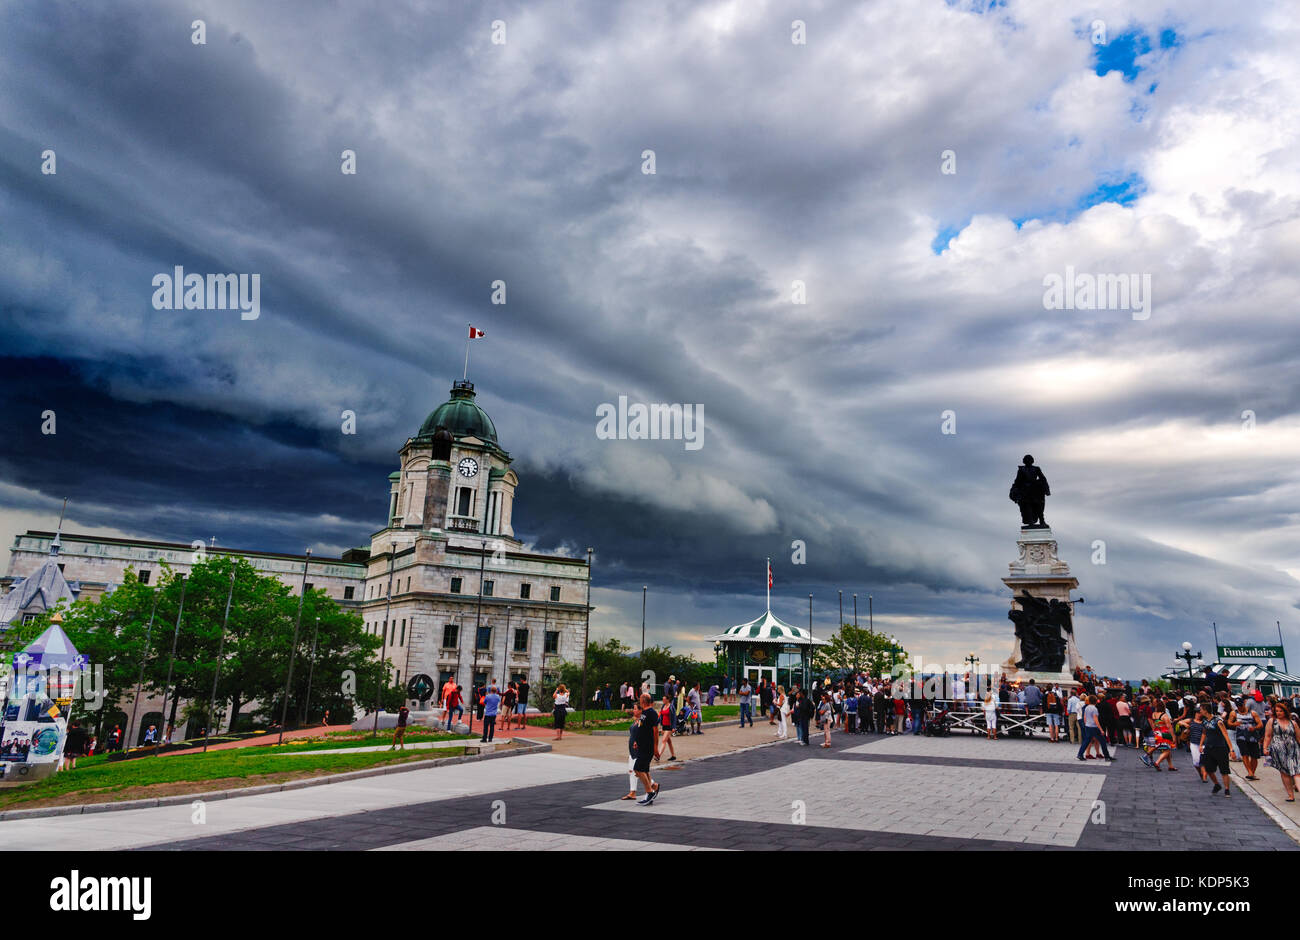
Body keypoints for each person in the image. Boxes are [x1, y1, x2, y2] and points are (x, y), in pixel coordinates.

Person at [1262, 701, 1300, 802]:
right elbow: (1268, 735)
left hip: (1293, 749)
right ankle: (1290, 795)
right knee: (1285, 772)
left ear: (1285, 712)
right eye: (1276, 711)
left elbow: (1298, 737)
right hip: (1278, 749)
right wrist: (1265, 748)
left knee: (1296, 771)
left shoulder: (1293, 723)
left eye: (1281, 711)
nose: (1278, 713)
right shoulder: (1272, 721)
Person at [1198, 702, 1237, 797]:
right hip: (1209, 747)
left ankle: (1227, 789)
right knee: (1208, 769)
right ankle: (1216, 784)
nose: (1200, 711)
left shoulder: (1218, 721)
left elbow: (1225, 735)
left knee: (1224, 770)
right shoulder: (1204, 721)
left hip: (1220, 747)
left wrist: (1231, 749)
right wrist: (1201, 744)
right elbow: (1204, 733)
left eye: (1201, 710)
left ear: (1205, 710)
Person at [632, 693, 661, 805]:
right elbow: (641, 727)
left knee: (638, 769)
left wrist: (655, 748)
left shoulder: (652, 713)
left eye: (640, 699)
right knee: (645, 770)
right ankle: (653, 789)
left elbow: (655, 731)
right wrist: (636, 741)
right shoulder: (644, 712)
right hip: (642, 745)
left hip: (648, 746)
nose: (639, 701)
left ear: (643, 701)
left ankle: (649, 792)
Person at [1228, 698, 1264, 780]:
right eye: (1238, 706)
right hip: (1241, 736)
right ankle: (1249, 772)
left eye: (1241, 705)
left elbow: (1260, 724)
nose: (1239, 707)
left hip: (1252, 737)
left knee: (1254, 756)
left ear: (1244, 704)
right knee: (1245, 754)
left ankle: (1252, 773)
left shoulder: (1252, 713)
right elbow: (1229, 723)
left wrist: (1254, 728)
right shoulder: (1234, 713)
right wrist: (1234, 724)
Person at [1076, 694, 1114, 762]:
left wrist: (1086, 724)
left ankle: (1080, 754)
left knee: (1086, 741)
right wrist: (1101, 729)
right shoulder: (1094, 709)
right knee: (1102, 741)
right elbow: (1096, 719)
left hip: (1088, 726)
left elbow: (1084, 717)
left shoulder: (1087, 707)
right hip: (1094, 727)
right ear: (1096, 701)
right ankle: (1107, 756)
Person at [621, 701, 644, 800]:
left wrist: (638, 742)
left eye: (635, 709)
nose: (633, 710)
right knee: (632, 770)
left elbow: (643, 733)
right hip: (631, 749)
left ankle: (653, 785)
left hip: (638, 749)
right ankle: (632, 792)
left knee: (638, 771)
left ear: (640, 710)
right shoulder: (636, 720)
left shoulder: (642, 720)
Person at [657, 694, 678, 761]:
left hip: (669, 726)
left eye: (664, 699)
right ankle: (673, 755)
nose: (663, 700)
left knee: (663, 741)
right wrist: (659, 724)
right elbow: (661, 715)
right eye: (663, 699)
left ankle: (658, 755)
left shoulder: (671, 707)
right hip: (664, 726)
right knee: (669, 742)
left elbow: (674, 717)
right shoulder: (663, 706)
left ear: (668, 700)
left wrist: (674, 727)